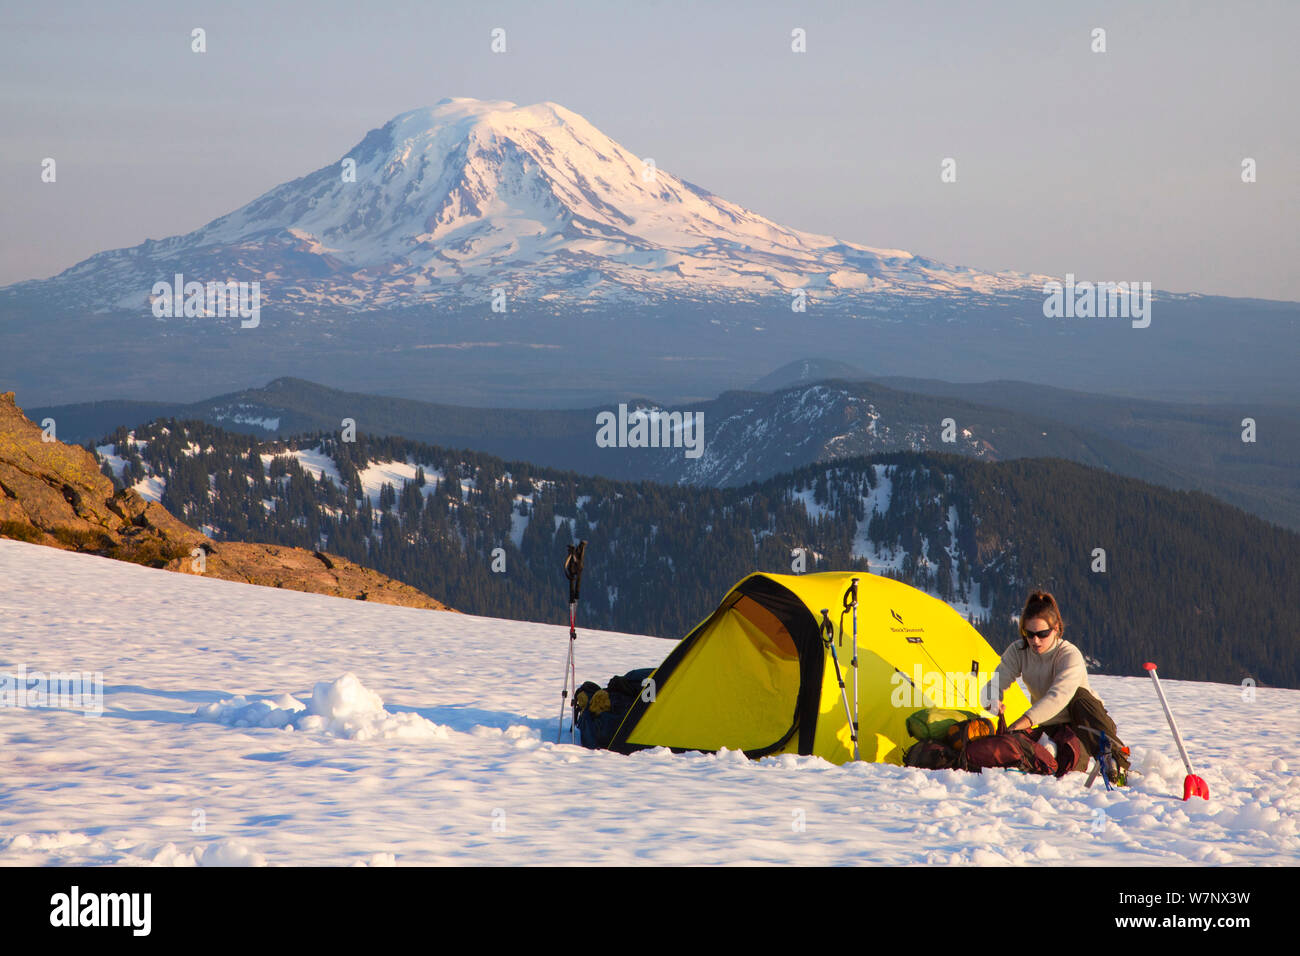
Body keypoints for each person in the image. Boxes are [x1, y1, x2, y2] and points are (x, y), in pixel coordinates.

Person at [982, 590, 1129, 782]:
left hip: (1085, 723)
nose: (1035, 640)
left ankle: (1118, 761)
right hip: (1048, 725)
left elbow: (1057, 697)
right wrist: (993, 702)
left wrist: (1025, 721)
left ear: (1056, 629)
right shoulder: (1019, 651)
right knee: (1046, 761)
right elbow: (993, 684)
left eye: (1042, 634)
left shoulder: (1068, 655)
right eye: (1029, 634)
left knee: (1079, 699)